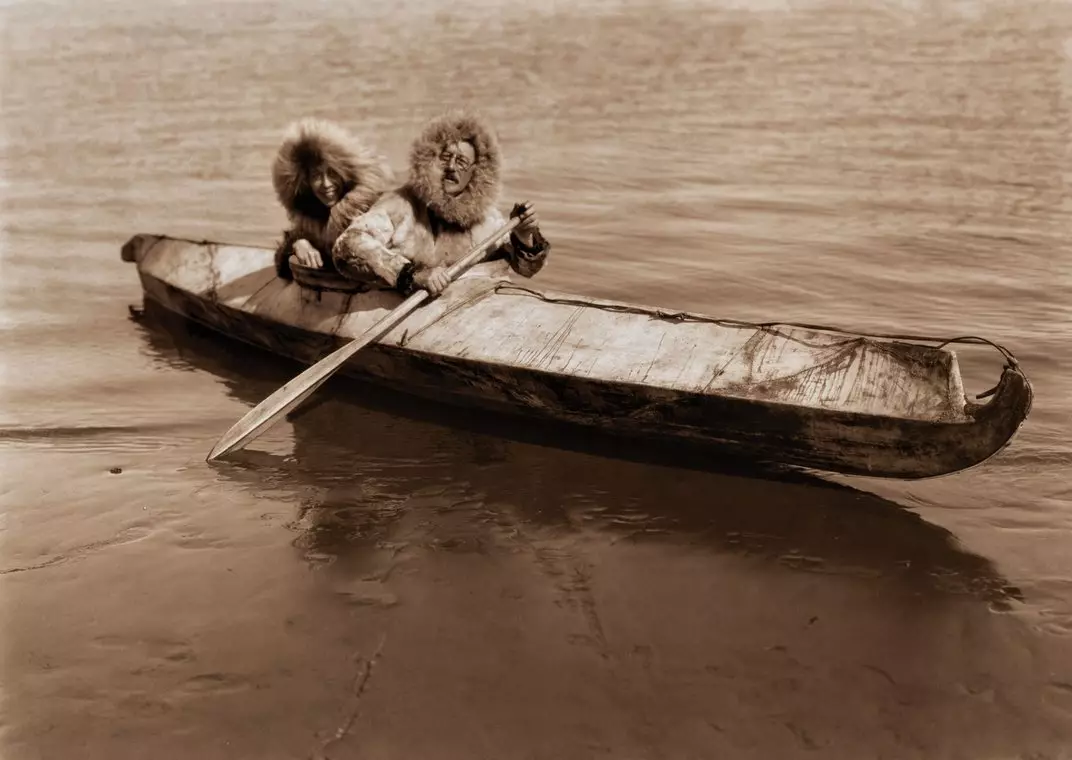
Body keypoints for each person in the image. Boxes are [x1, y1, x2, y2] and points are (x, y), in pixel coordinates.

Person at [331, 109, 549, 296]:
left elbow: (527, 270)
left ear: (476, 172)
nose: (452, 167)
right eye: (445, 158)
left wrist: (524, 236)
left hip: (477, 310)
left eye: (462, 162)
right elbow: (349, 244)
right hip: (404, 313)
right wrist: (412, 275)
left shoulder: (487, 218)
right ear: (429, 160)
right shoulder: (399, 205)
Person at [270, 117, 395, 281]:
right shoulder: (311, 215)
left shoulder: (373, 207)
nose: (326, 184)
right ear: (305, 181)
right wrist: (298, 244)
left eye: (332, 173)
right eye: (316, 175)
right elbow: (283, 269)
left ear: (346, 174)